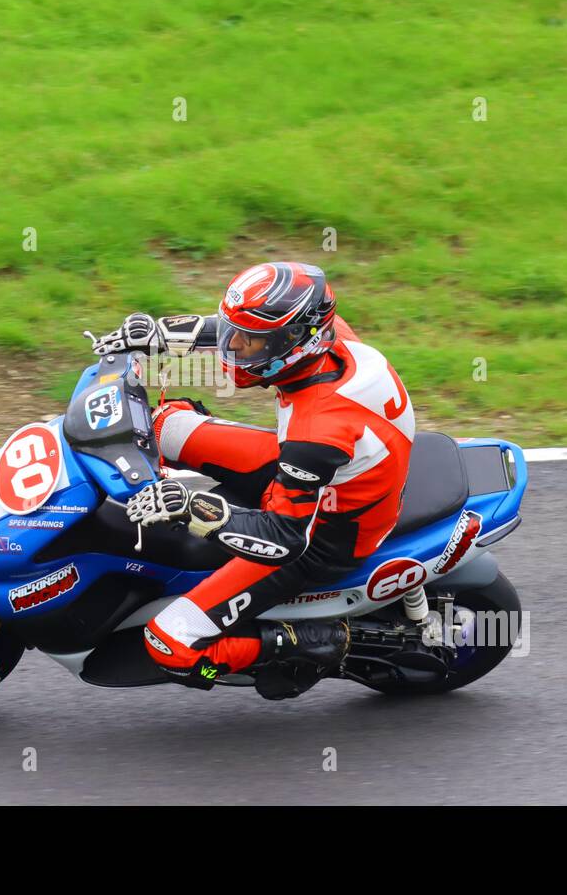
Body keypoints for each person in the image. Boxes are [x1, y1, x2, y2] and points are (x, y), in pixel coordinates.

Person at [92, 261, 414, 699]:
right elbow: (242, 329)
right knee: (163, 423)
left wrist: (192, 508)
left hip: (325, 536)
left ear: (295, 342)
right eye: (233, 331)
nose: (235, 347)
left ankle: (312, 644)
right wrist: (160, 334)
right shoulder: (322, 334)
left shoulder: (316, 430)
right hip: (325, 473)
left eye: (252, 341)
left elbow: (285, 539)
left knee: (170, 646)